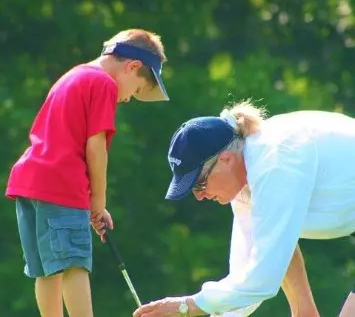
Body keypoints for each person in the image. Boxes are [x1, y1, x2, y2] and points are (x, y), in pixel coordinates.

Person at [133, 100, 355, 317]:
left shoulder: (274, 164)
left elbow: (262, 280)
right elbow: (245, 275)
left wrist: (186, 306)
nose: (200, 196)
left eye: (199, 184)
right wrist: (199, 308)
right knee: (274, 238)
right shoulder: (247, 177)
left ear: (226, 160)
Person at [5, 28, 169, 317]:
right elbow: (96, 147)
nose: (129, 98)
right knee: (74, 263)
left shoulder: (74, 75)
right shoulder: (103, 83)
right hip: (61, 184)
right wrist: (98, 201)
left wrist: (92, 203)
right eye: (137, 89)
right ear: (133, 67)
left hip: (30, 183)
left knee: (46, 269)